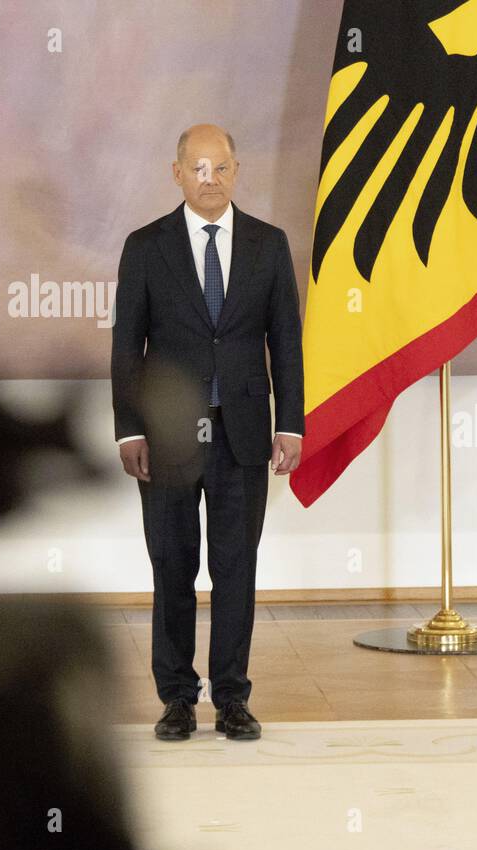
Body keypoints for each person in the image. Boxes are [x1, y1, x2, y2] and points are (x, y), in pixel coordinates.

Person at [111, 123, 305, 741]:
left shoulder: (268, 246)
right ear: (177, 174)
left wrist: (292, 424)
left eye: (220, 168)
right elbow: (126, 349)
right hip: (166, 438)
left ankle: (232, 697)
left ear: (236, 171)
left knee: (235, 568)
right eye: (198, 168)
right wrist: (127, 430)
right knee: (171, 565)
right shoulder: (146, 246)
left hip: (244, 433)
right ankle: (176, 698)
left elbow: (287, 345)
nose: (210, 180)